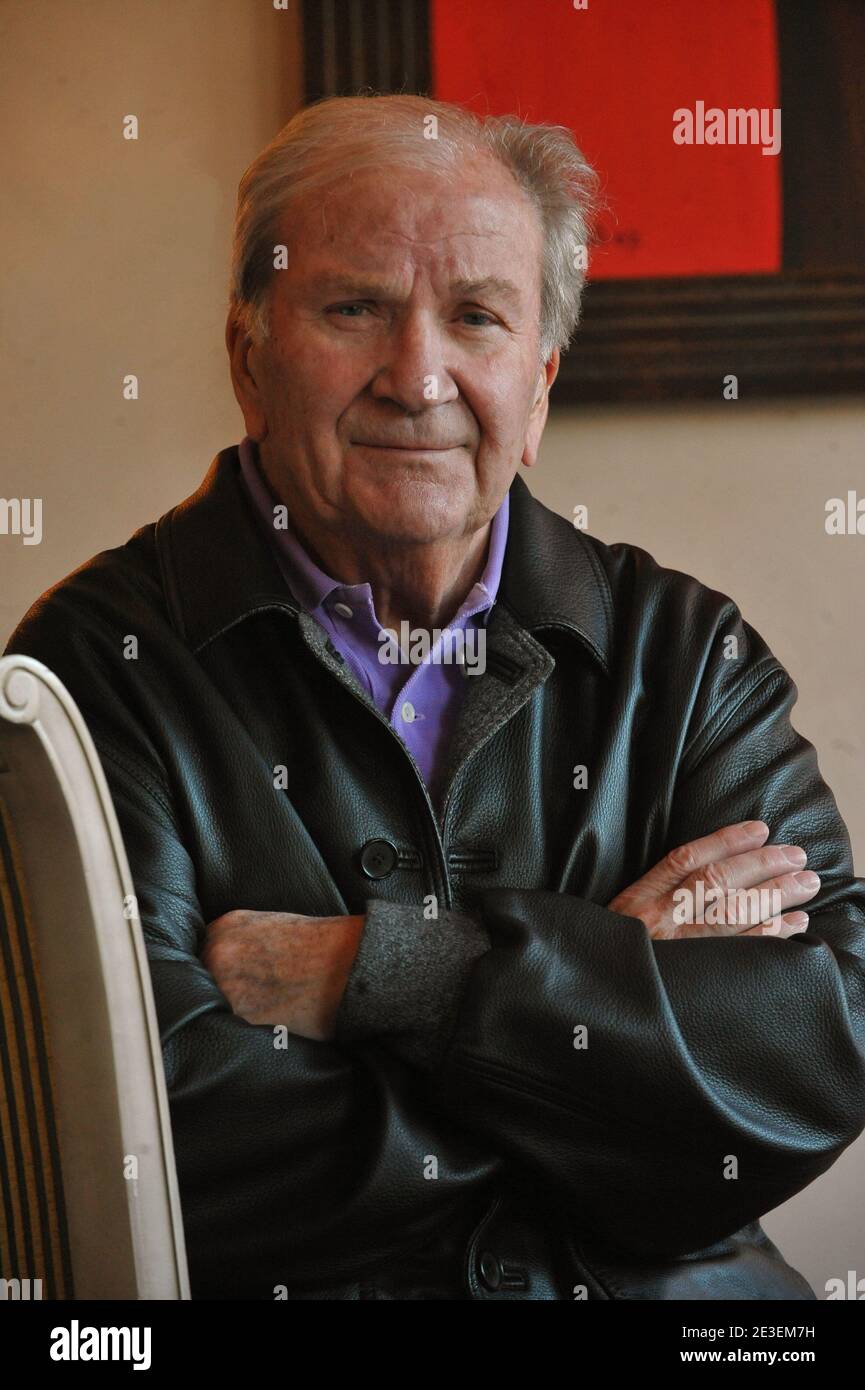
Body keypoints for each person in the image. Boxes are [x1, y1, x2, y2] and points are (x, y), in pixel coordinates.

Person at [6, 94, 865, 1300]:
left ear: (541, 381)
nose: (418, 376)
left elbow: (814, 1052)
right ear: (249, 358)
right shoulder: (97, 665)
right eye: (355, 307)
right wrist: (600, 1011)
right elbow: (147, 1138)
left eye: (476, 316)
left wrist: (390, 972)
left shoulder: (684, 652)